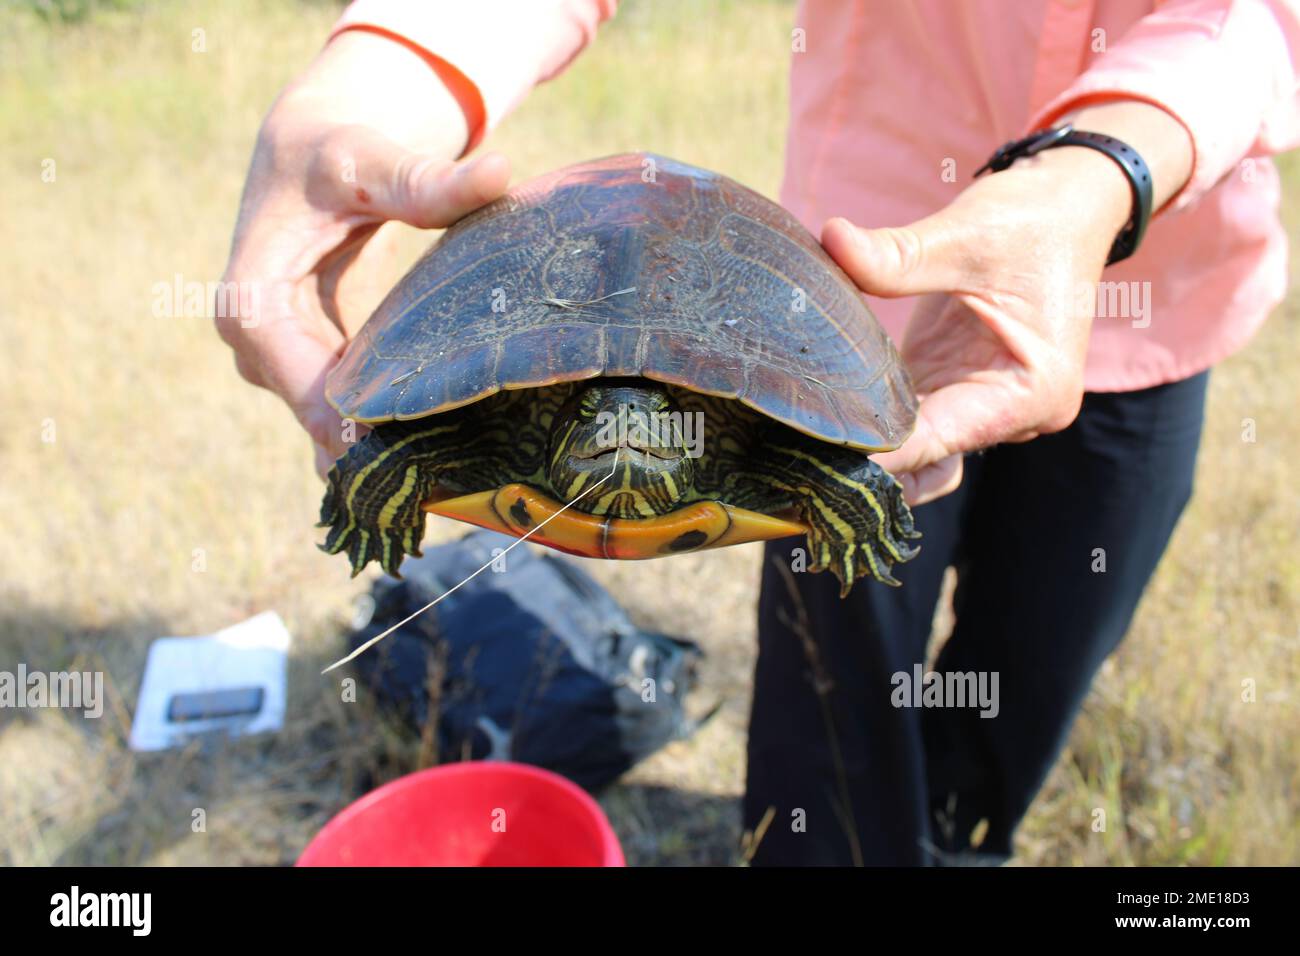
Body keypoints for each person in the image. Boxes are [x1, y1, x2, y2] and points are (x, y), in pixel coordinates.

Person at [217, 0, 1299, 865]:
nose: (624, 433)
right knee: (828, 722)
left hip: (1146, 281)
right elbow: (393, 426)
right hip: (865, 281)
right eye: (600, 421)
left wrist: (1103, 171)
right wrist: (380, 69)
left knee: (1037, 659)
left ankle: (966, 836)